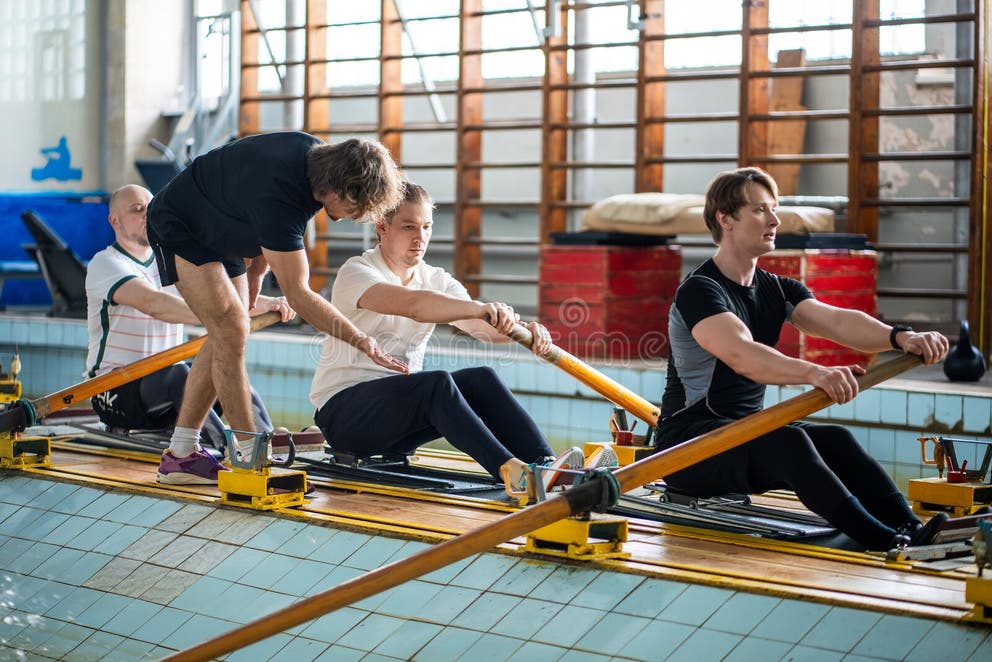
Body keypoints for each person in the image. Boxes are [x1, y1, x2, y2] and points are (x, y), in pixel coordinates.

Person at [657, 167, 951, 551]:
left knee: (837, 439)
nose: (775, 220)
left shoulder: (777, 288)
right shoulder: (699, 290)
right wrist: (815, 372)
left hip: (743, 438)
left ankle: (912, 527)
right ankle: (883, 540)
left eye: (775, 209)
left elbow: (837, 322)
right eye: (761, 210)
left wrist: (900, 337)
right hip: (689, 448)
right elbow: (741, 354)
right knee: (791, 442)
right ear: (725, 219)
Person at [309, 181, 611, 498]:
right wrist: (482, 309)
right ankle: (512, 472)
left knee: (481, 379)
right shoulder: (357, 271)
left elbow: (480, 327)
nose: (420, 237)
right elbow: (414, 306)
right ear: (382, 226)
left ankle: (547, 466)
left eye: (426, 227)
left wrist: (523, 329)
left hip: (397, 418)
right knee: (435, 384)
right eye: (408, 227)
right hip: (342, 418)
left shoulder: (436, 278)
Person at [146, 132, 408, 485]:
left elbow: (255, 211)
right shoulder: (280, 195)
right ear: (339, 190)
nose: (349, 217)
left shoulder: (318, 160)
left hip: (224, 223)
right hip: (180, 223)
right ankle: (249, 459)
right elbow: (300, 295)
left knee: (227, 333)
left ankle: (180, 455)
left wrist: (255, 274)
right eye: (353, 209)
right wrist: (362, 340)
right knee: (231, 330)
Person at [84, 185, 294, 467]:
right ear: (114, 221)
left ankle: (264, 441)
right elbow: (153, 303)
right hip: (113, 391)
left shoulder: (169, 262)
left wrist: (267, 303)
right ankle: (234, 452)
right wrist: (223, 318)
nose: (148, 215)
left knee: (226, 363)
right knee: (180, 373)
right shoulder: (105, 263)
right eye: (137, 210)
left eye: (151, 208)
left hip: (170, 391)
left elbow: (222, 299)